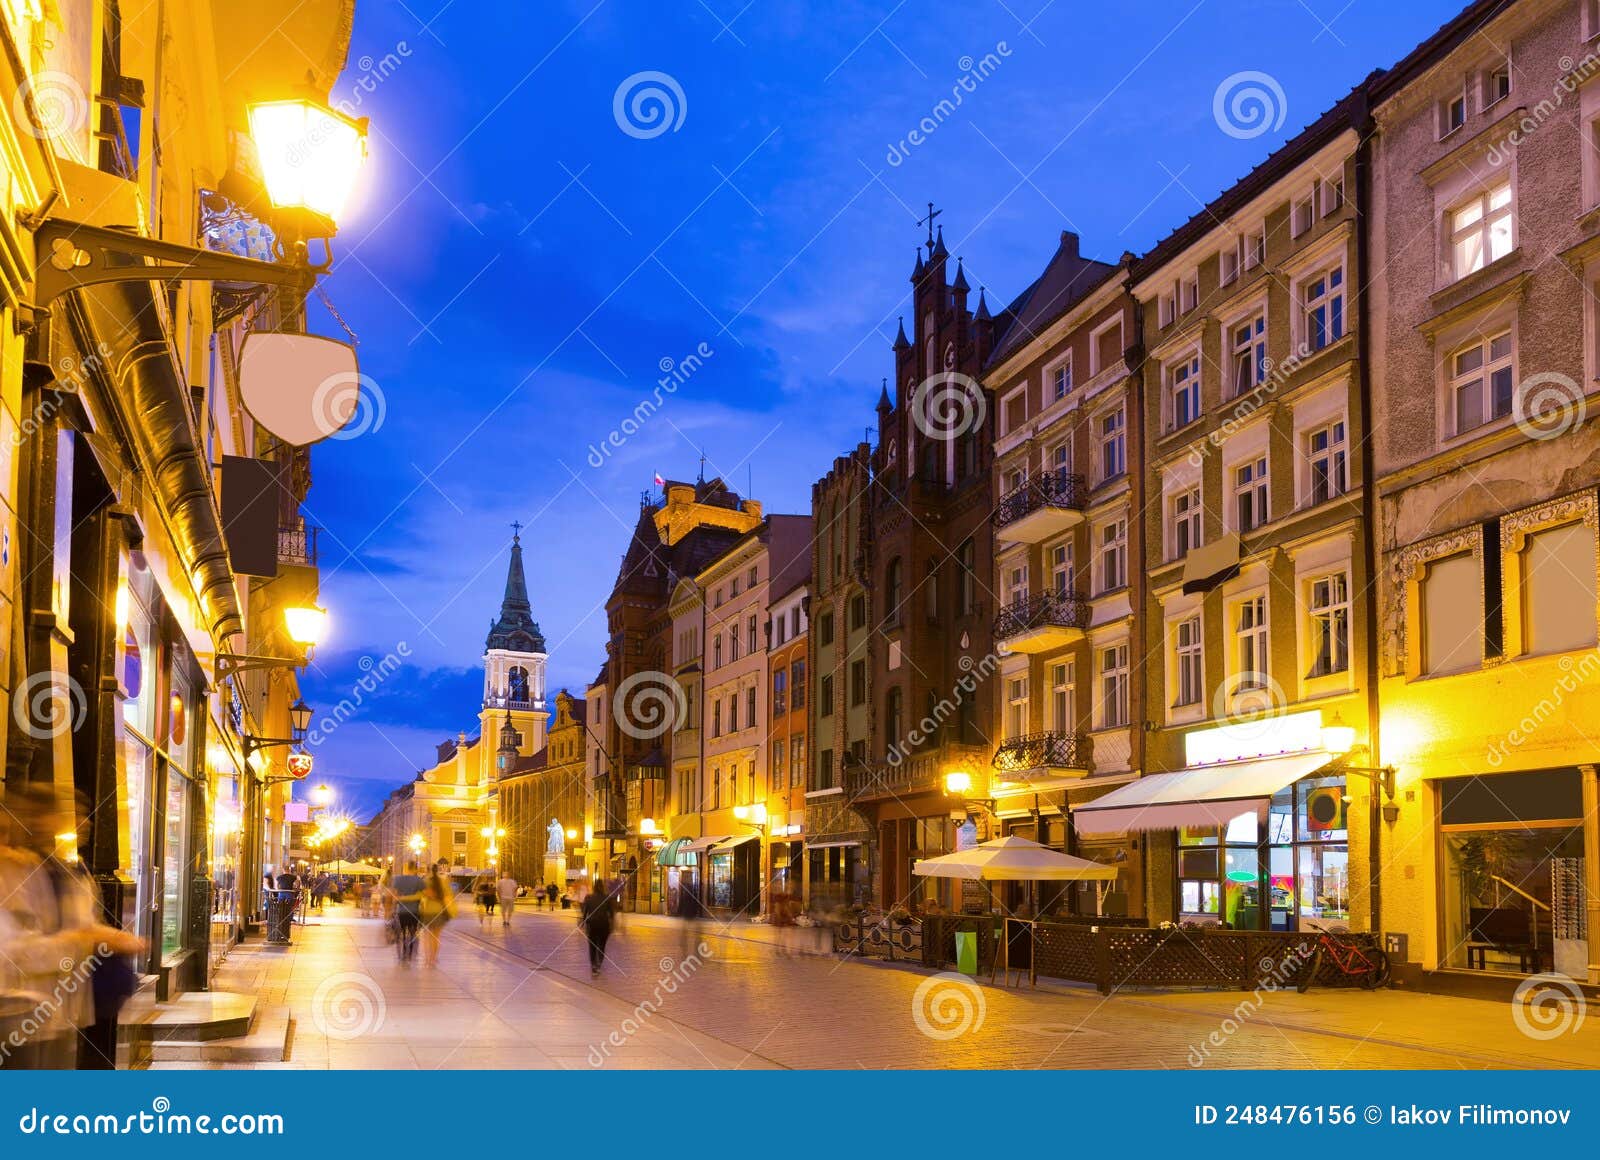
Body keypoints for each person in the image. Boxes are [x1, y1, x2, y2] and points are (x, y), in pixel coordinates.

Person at [580, 877, 617, 976]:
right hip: (604, 925)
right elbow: (611, 914)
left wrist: (583, 923)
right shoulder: (607, 898)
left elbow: (585, 912)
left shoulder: (589, 898)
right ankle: (599, 964)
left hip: (592, 925)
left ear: (594, 887)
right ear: (603, 887)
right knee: (601, 946)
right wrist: (612, 925)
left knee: (592, 946)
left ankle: (593, 966)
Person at [391, 861, 426, 965]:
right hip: (414, 911)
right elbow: (423, 895)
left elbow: (394, 895)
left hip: (401, 911)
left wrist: (393, 908)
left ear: (406, 868)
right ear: (415, 869)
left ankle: (402, 952)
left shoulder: (397, 879)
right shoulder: (419, 880)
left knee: (401, 932)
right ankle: (409, 953)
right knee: (412, 933)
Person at [420, 864, 454, 967]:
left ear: (428, 870)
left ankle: (427, 959)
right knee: (436, 937)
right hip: (439, 912)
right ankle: (433, 958)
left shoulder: (425, 881)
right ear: (438, 870)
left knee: (427, 936)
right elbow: (449, 896)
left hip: (427, 911)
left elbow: (421, 895)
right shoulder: (443, 881)